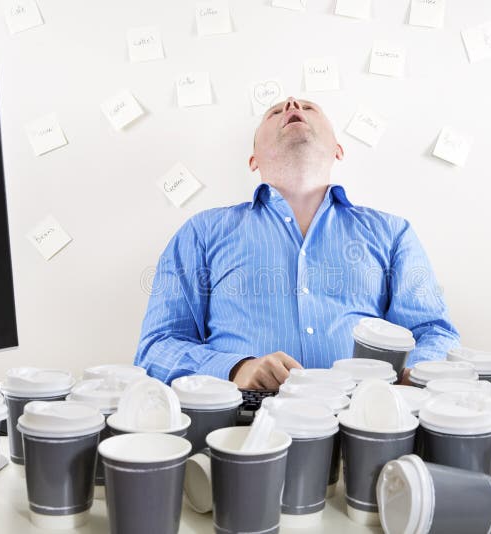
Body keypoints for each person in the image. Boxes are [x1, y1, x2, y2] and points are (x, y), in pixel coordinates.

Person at [135, 96, 459, 389]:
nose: (291, 105)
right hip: (240, 423)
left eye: (309, 107)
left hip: (369, 419)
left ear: (338, 149)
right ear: (253, 160)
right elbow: (156, 347)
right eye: (275, 111)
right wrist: (235, 368)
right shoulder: (201, 233)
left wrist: (411, 374)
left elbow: (434, 332)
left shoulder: (393, 233)